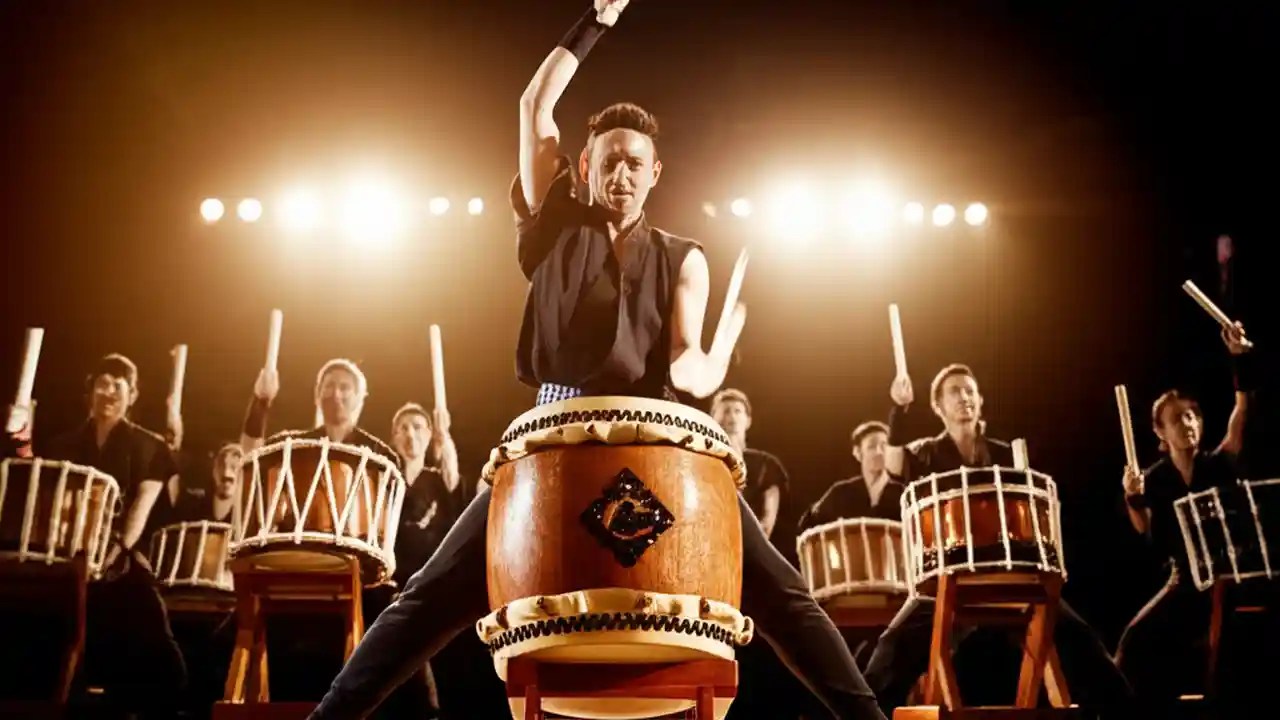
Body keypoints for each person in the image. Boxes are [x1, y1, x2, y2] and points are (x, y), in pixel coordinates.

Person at [311, 3, 884, 718]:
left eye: (634, 162)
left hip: (660, 451)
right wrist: (595, 20)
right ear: (583, 167)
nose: (620, 171)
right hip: (552, 442)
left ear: (655, 175)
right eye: (607, 158)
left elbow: (689, 373)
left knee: (785, 595)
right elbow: (534, 103)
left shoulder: (685, 259)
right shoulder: (550, 228)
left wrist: (721, 351)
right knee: (427, 595)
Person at [863, 364, 1133, 714]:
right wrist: (899, 409)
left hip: (1011, 578)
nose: (964, 397)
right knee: (890, 652)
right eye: (955, 391)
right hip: (946, 582)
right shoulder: (925, 454)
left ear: (980, 400)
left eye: (969, 390)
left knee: (1081, 642)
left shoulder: (1006, 453)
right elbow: (894, 462)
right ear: (938, 407)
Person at [25, 354, 187, 713]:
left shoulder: (150, 447)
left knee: (156, 644)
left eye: (119, 385)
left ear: (132, 395)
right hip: (67, 559)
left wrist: (112, 553)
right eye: (102, 383)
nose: (109, 391)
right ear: (90, 392)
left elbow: (141, 506)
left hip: (121, 563)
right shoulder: (62, 445)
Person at [238, 358, 401, 704]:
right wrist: (260, 401)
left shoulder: (379, 455)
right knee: (233, 633)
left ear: (360, 397)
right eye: (329, 385)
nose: (336, 393)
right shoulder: (291, 446)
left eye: (345, 387)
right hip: (295, 563)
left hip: (359, 570)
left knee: (395, 622)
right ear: (316, 395)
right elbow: (249, 455)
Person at [1115, 323, 1255, 709]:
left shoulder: (1219, 465)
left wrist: (1239, 359)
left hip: (1228, 580)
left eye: (1193, 415)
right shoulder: (1154, 480)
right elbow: (1144, 531)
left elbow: (1242, 409)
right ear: (1161, 433)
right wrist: (1133, 497)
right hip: (1185, 583)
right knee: (1133, 644)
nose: (1188, 423)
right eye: (1177, 418)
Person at [711, 388, 790, 539]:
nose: (732, 416)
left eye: (737, 411)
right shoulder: (703, 462)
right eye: (726, 411)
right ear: (713, 419)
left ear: (748, 421)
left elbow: (766, 524)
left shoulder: (767, 465)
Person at [798, 421, 904, 531]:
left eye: (884, 446)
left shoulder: (903, 494)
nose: (879, 452)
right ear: (857, 452)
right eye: (872, 446)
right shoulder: (840, 493)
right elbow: (809, 524)